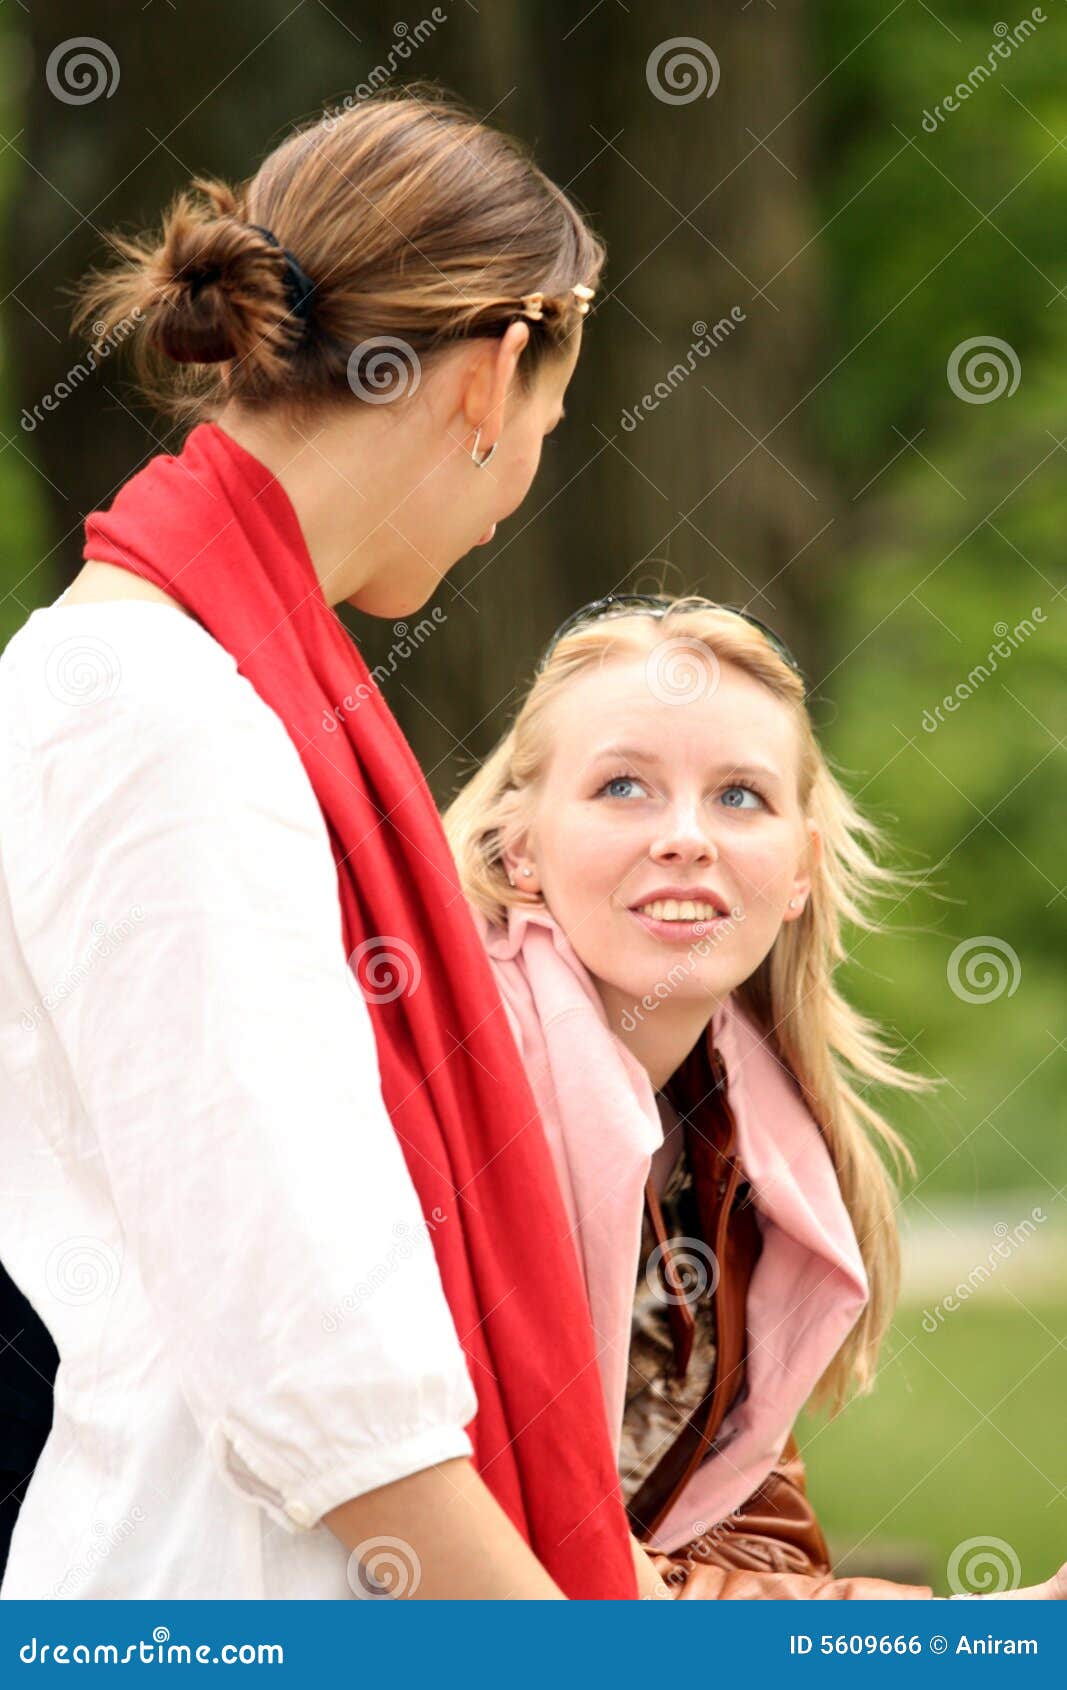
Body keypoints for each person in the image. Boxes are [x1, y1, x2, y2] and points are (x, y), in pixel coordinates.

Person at [0, 90, 639, 1601]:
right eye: (558, 404)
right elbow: (302, 1334)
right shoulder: (161, 713)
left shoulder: (156, 677)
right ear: (491, 379)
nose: (538, 447)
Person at [444, 592, 1067, 1601]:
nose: (686, 836)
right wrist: (968, 1641)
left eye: (738, 796)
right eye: (621, 786)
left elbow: (738, 1532)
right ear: (520, 848)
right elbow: (521, 1560)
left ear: (798, 872)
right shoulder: (455, 1091)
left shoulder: (733, 1135)